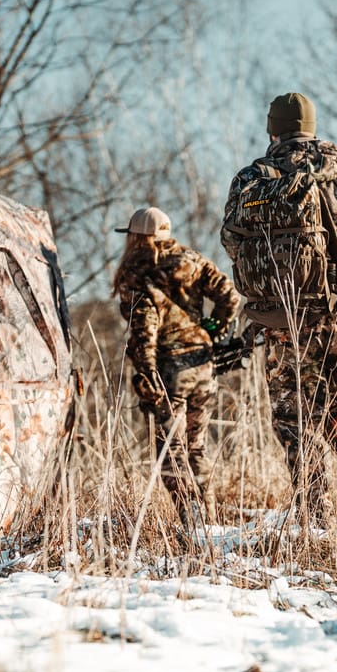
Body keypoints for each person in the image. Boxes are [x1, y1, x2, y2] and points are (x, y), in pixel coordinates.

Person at [221, 92, 337, 535]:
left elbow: (232, 241)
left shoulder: (252, 179)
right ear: (312, 128)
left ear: (273, 130)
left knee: (293, 415)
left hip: (287, 314)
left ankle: (314, 515)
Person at [112, 206, 241, 526]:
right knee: (195, 448)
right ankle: (209, 523)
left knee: (170, 450)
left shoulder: (136, 268)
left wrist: (147, 373)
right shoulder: (191, 259)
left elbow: (144, 327)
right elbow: (230, 296)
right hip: (203, 364)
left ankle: (192, 519)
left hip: (168, 368)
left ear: (135, 236)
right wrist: (214, 329)